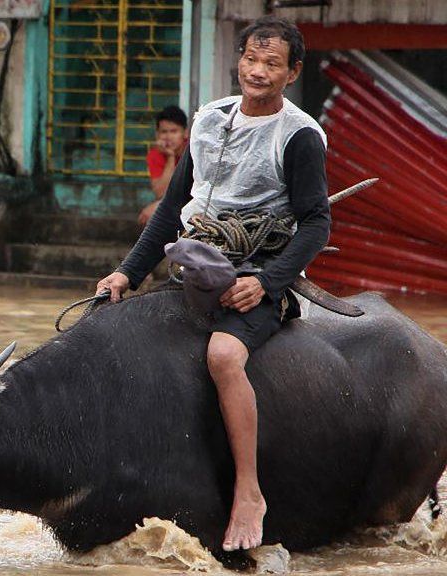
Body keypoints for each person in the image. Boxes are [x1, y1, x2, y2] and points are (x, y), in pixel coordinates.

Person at [95, 16, 330, 552]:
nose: (258, 71)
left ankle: (249, 491)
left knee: (224, 356)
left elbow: (317, 223)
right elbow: (172, 209)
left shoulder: (299, 136)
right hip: (196, 265)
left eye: (272, 63)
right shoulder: (207, 120)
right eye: (251, 58)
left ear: (292, 72)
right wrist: (127, 272)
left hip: (257, 272)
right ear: (238, 60)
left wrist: (268, 283)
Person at [139, 106, 189, 226]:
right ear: (157, 134)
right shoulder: (155, 154)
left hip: (196, 200)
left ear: (185, 133)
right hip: (173, 202)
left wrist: (158, 205)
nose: (168, 137)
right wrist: (170, 158)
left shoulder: (193, 150)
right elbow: (161, 193)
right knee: (151, 216)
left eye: (174, 131)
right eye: (164, 132)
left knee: (156, 210)